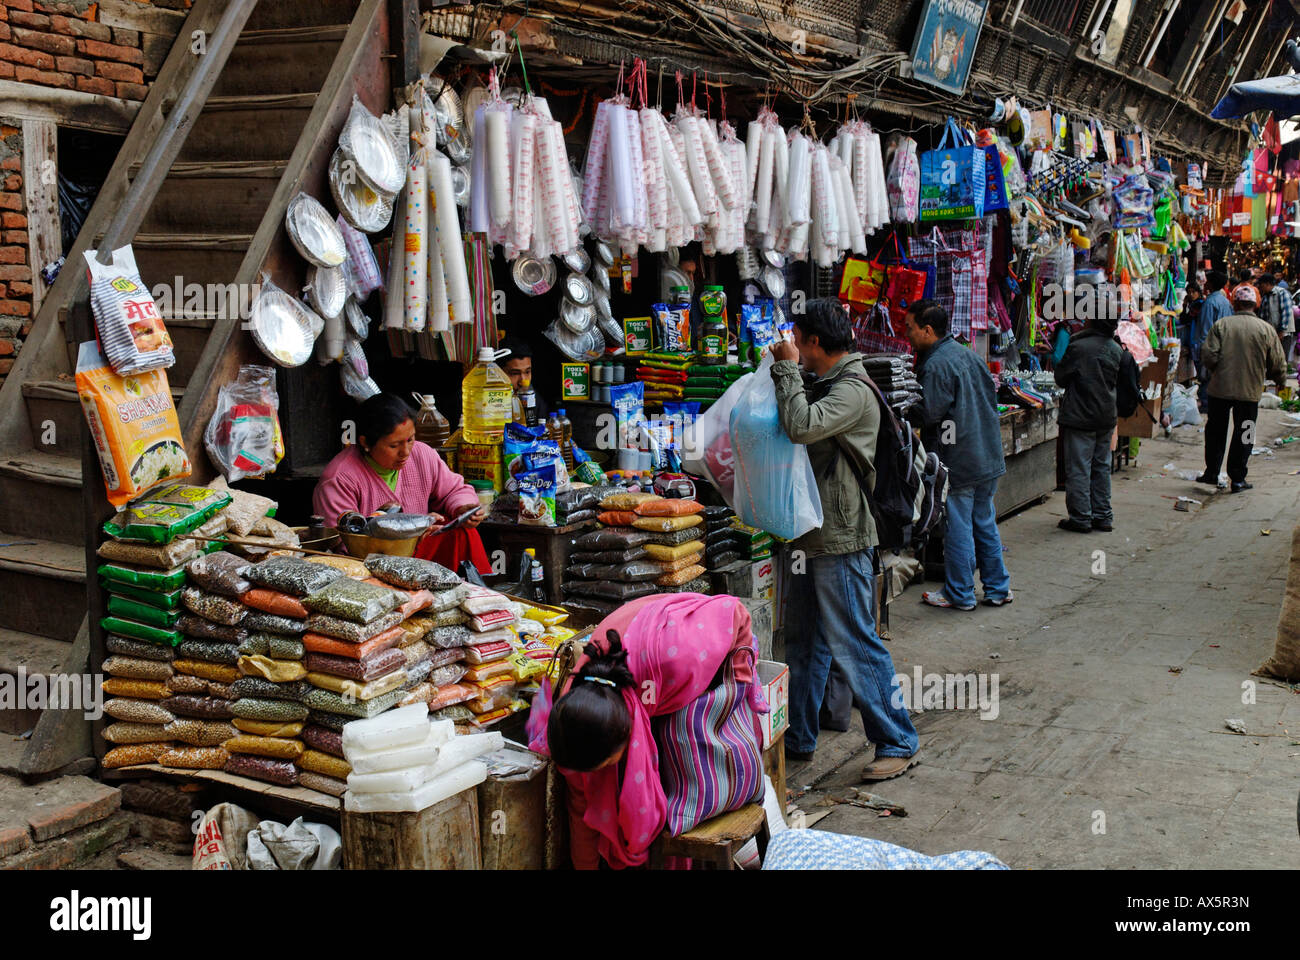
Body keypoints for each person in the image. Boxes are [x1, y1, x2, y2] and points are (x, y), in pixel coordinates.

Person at [769, 297, 919, 780]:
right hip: (813, 534)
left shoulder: (852, 390)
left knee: (854, 639)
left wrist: (786, 371)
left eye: (799, 340)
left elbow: (800, 426)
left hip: (843, 536)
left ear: (814, 342)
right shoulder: (830, 382)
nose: (794, 347)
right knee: (805, 641)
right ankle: (798, 738)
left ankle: (897, 740)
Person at [526, 593, 765, 870]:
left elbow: (734, 611)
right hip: (646, 667)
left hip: (687, 646)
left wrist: (733, 689)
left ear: (627, 734)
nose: (598, 774)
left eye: (606, 763)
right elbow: (580, 803)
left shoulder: (678, 664)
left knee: (680, 754)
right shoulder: (573, 714)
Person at [904, 299, 1013, 610]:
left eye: (910, 328)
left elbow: (929, 413)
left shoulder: (937, 364)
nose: (907, 334)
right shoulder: (968, 354)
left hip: (960, 459)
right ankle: (997, 588)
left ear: (927, 330)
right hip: (986, 454)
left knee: (958, 526)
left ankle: (960, 593)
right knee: (984, 521)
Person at [313, 392, 490, 570]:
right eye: (394, 445)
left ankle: (482, 594)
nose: (405, 452)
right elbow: (346, 545)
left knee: (461, 530)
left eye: (410, 440)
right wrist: (413, 530)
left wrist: (463, 507)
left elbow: (454, 490)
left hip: (418, 552)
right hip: (369, 565)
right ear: (365, 443)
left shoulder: (422, 455)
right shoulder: (339, 479)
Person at [1196, 286, 1287, 493]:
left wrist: (1216, 371)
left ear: (1235, 304)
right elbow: (1277, 361)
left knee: (1215, 431)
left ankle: (1212, 472)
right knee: (1246, 432)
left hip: (1220, 389)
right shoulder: (1265, 329)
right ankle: (1237, 478)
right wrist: (1279, 379)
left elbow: (1208, 355)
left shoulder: (1222, 325)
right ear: (1255, 304)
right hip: (1250, 392)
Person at [1053, 315, 1123, 533]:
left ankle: (1081, 517)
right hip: (1105, 415)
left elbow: (1061, 377)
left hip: (1080, 415)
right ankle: (1102, 515)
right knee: (1101, 466)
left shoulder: (1079, 346)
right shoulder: (1115, 348)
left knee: (1079, 468)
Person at [1194, 270, 1232, 411]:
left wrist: (1203, 350)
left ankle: (1206, 403)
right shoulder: (1225, 301)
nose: (1204, 284)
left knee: (1206, 377)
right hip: (1223, 344)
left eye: (1207, 281)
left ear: (1211, 283)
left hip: (1211, 345)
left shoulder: (1210, 302)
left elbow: (1205, 330)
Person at [498, 335, 549, 424]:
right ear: (498, 372)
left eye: (527, 372)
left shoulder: (534, 399)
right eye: (514, 373)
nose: (523, 381)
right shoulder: (488, 399)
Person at [1257, 273, 1295, 362]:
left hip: (1283, 334)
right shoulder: (1265, 297)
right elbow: (1262, 316)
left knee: (1281, 359)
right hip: (1271, 334)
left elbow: (1286, 312)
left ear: (1267, 284)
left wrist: (1282, 330)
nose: (1260, 288)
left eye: (1261, 285)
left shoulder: (1282, 293)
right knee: (1272, 360)